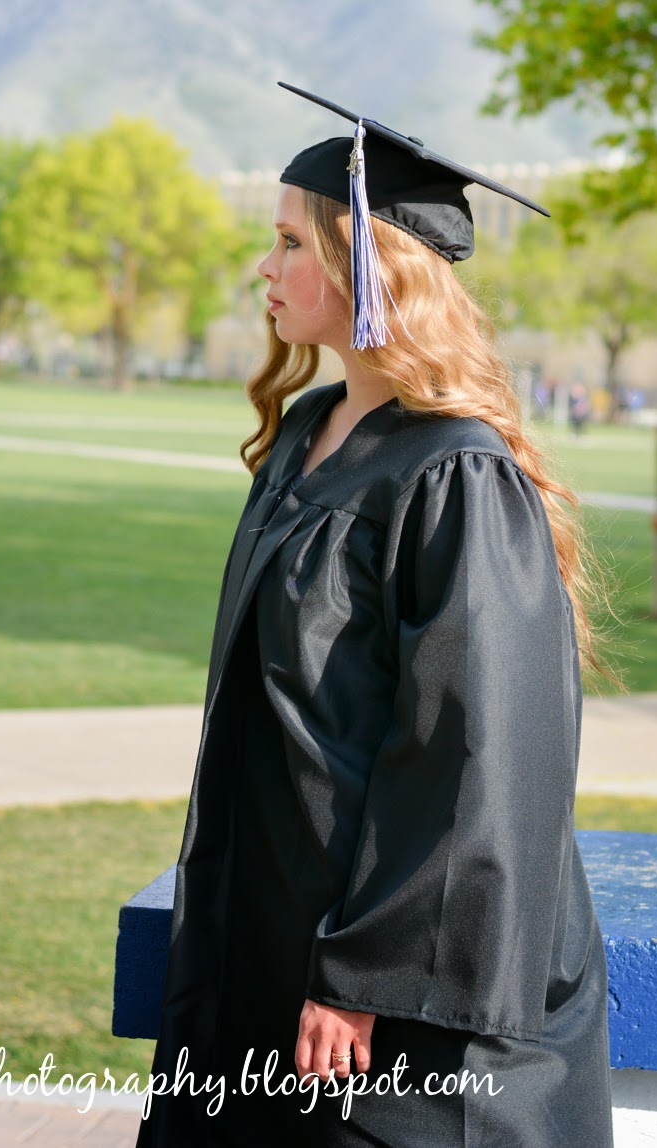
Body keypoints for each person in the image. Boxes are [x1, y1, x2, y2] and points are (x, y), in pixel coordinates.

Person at [135, 84, 616, 1148]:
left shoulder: (454, 474)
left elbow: (470, 755)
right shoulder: (310, 434)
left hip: (392, 998)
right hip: (270, 932)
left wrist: (365, 976)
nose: (264, 270)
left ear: (365, 269)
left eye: (288, 244)